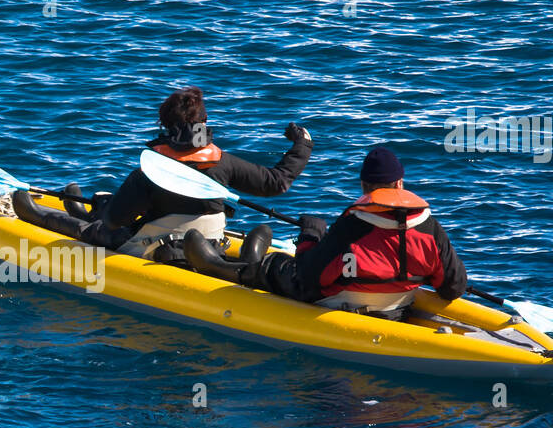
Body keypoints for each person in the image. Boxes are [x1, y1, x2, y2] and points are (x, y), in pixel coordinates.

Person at [187, 146, 466, 318]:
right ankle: (251, 258)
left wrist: (310, 236)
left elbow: (308, 279)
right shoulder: (431, 228)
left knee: (281, 267)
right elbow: (453, 286)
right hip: (397, 305)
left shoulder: (353, 226)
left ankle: (220, 266)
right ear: (401, 183)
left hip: (343, 304)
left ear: (364, 187)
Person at [67, 87, 312, 259]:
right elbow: (276, 182)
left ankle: (63, 216)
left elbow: (114, 221)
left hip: (154, 249)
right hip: (211, 246)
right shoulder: (223, 163)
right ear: (203, 125)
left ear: (165, 127)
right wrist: (302, 145)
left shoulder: (148, 173)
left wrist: (105, 209)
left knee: (98, 226)